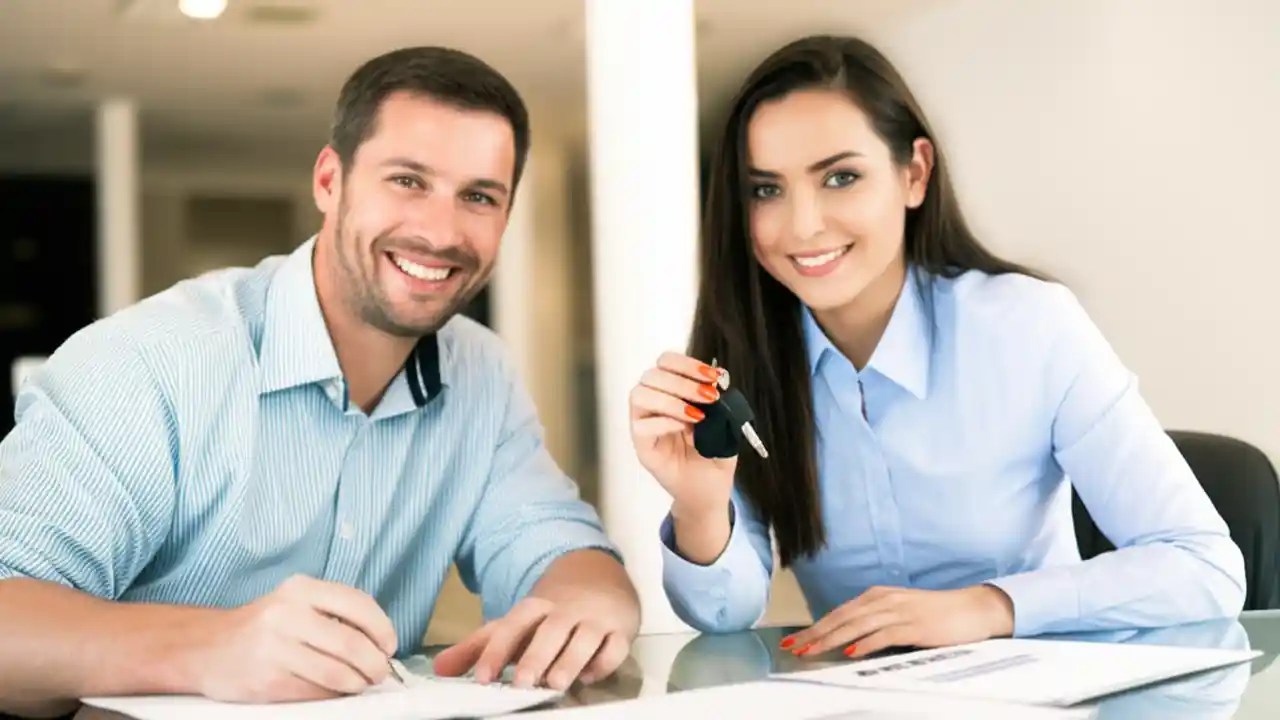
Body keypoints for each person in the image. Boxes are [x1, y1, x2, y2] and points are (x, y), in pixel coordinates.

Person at [0, 46, 638, 717]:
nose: (440, 231)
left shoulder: (483, 374)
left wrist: (590, 605)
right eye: (408, 181)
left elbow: (563, 550)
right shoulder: (150, 361)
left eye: (479, 196)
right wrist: (209, 647)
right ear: (330, 182)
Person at [629, 35, 1245, 660]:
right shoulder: (747, 354)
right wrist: (701, 505)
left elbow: (1204, 566)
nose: (802, 225)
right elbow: (724, 615)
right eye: (766, 190)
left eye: (840, 178)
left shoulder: (1029, 327)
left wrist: (987, 607)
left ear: (914, 174)